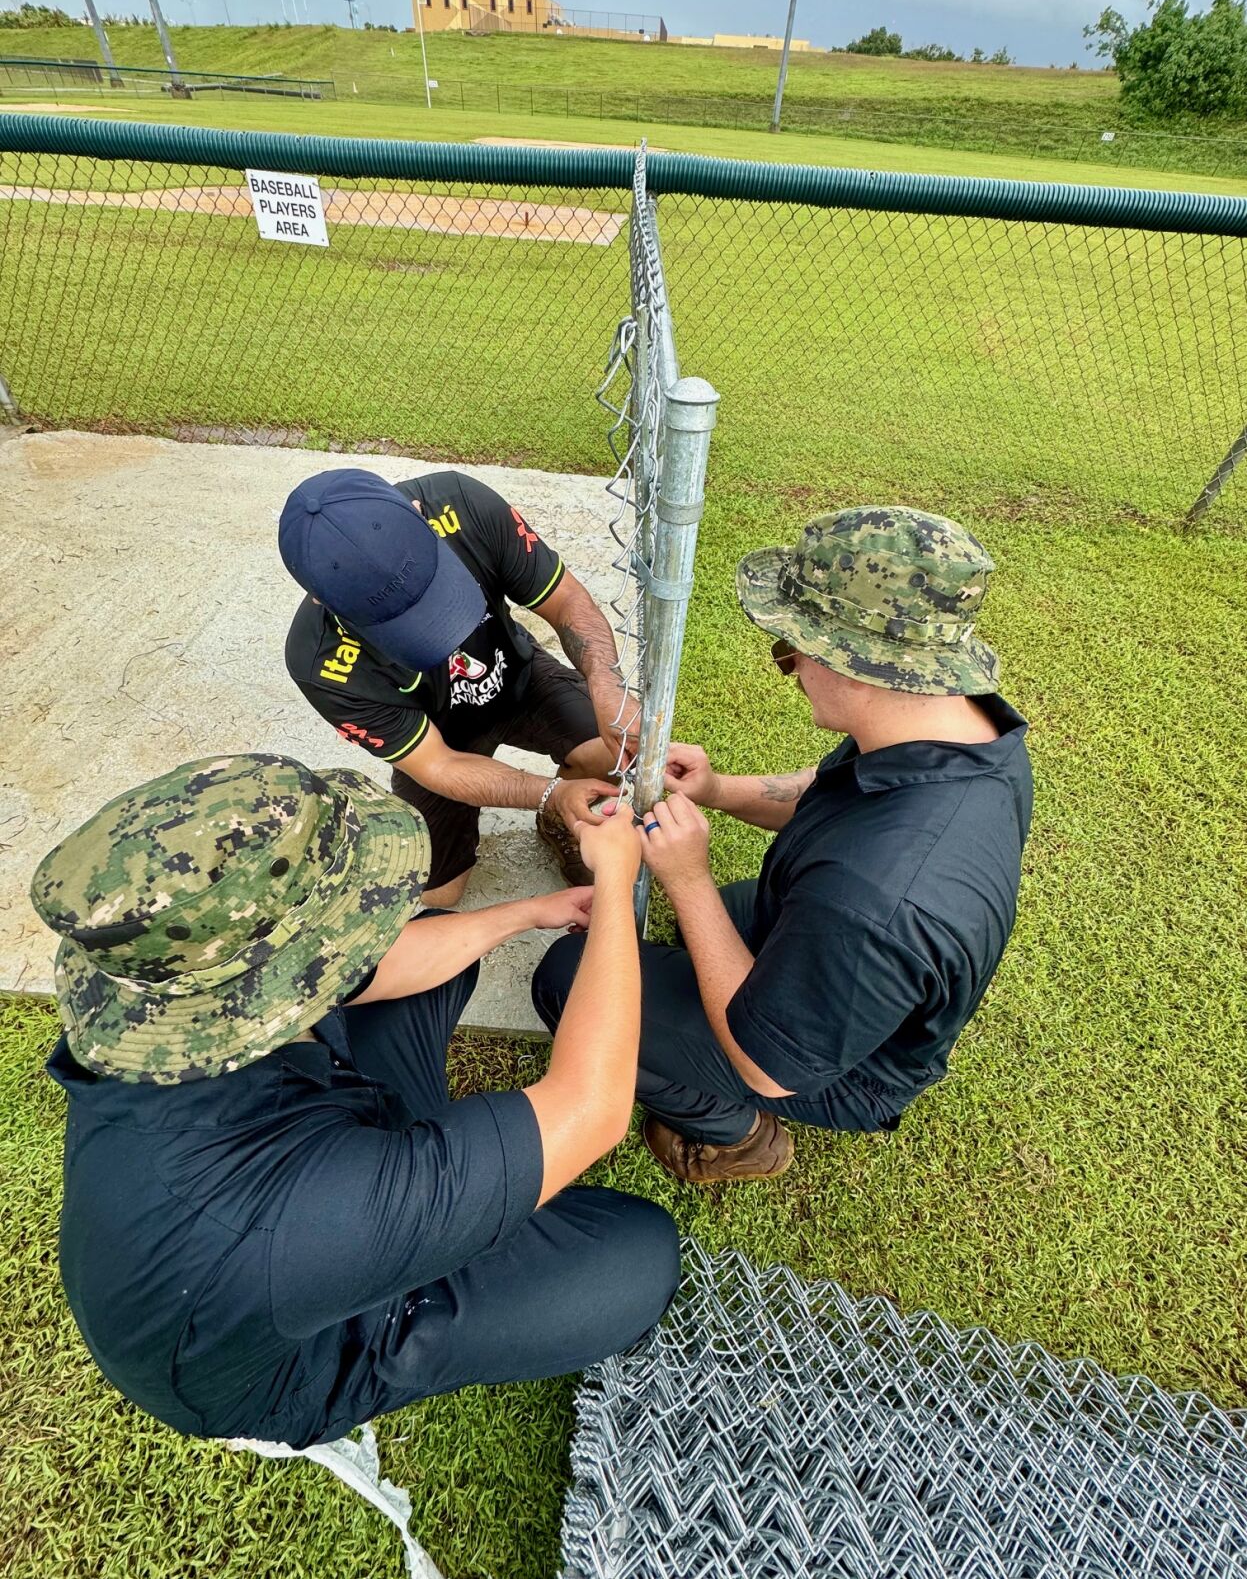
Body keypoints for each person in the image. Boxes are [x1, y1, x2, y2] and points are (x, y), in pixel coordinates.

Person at [32, 752, 676, 1447]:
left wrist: (528, 912)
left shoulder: (167, 1005)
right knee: (636, 1258)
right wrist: (615, 888)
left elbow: (376, 964)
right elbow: (592, 1107)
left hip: (292, 1192)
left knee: (432, 953)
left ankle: (437, 1180)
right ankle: (416, 1288)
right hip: (311, 1343)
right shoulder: (289, 1217)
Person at [534, 506, 1033, 1184]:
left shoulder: (871, 899)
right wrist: (717, 789)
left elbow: (765, 1066)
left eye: (791, 647)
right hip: (834, 937)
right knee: (699, 929)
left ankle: (737, 1138)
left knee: (567, 979)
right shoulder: (957, 731)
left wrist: (688, 880)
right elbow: (829, 787)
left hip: (837, 1065)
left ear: (858, 665)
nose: (789, 666)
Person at [280, 467, 638, 905]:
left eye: (432, 588)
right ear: (320, 599)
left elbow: (566, 600)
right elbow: (439, 764)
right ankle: (554, 806)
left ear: (418, 512)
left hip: (518, 676)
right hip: (440, 735)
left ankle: (558, 824)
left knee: (614, 751)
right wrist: (551, 793)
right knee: (441, 895)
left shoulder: (461, 503)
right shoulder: (321, 662)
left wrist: (607, 684)